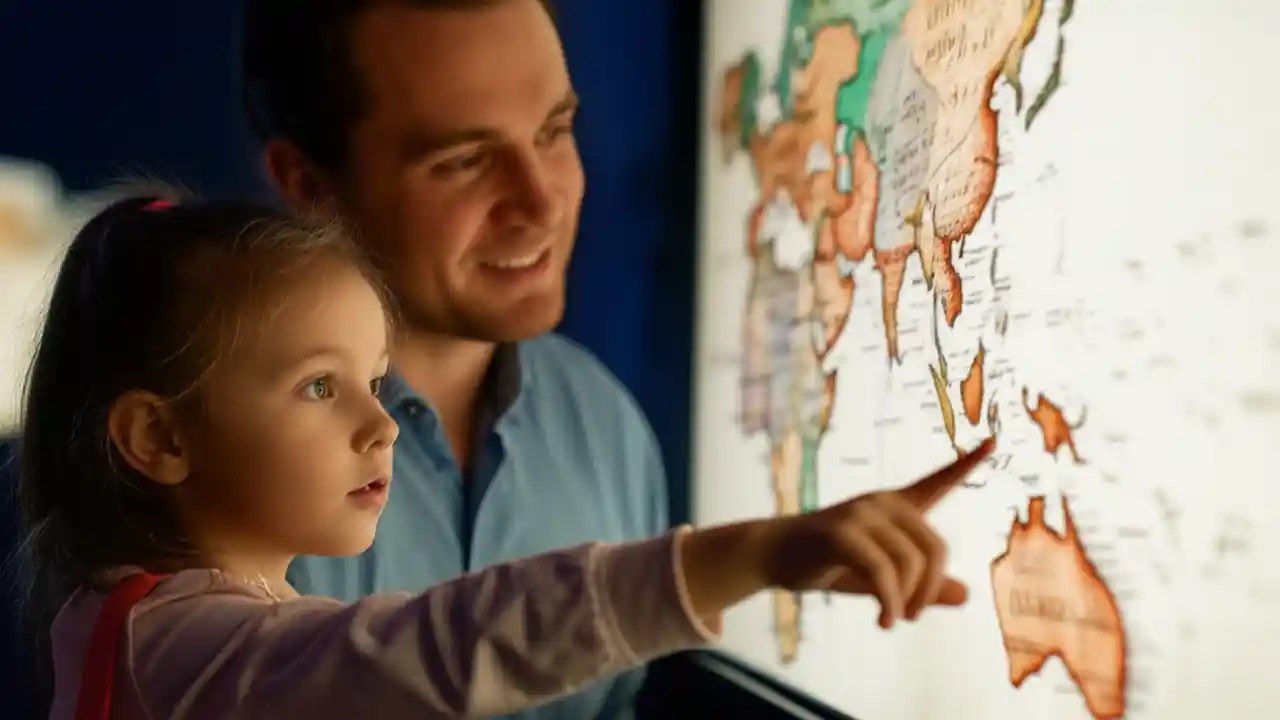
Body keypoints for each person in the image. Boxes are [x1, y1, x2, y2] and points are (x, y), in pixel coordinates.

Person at [19, 190, 993, 718]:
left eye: (375, 376)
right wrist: (748, 557)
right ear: (159, 438)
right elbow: (439, 651)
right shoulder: (180, 648)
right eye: (320, 386)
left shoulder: (155, 614)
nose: (383, 421)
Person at [237, 2, 676, 716]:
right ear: (308, 184)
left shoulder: (604, 423)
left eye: (554, 131)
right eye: (465, 161)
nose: (542, 203)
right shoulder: (221, 466)